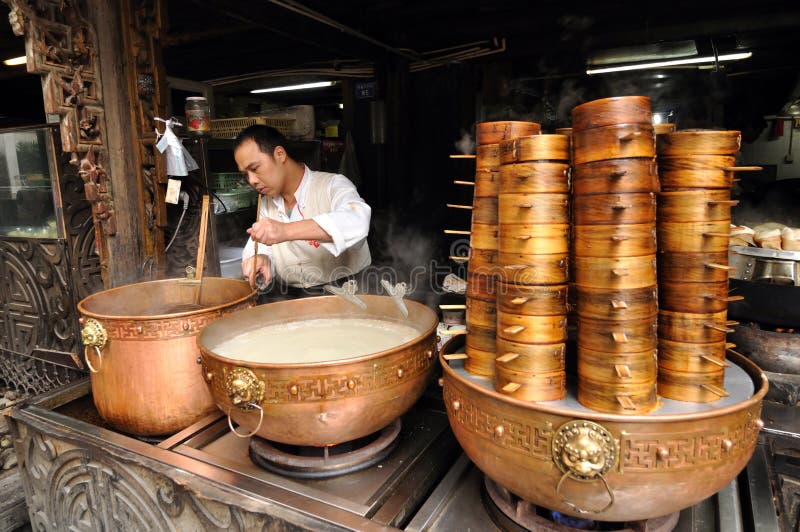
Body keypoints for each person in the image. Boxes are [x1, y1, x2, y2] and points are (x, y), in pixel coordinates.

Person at [235, 125, 371, 296]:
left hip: (349, 292)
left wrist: (285, 230)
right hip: (292, 298)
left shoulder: (333, 185)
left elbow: (357, 221)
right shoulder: (267, 203)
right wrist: (261, 258)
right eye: (245, 174)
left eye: (254, 169)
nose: (252, 180)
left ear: (280, 154)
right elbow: (261, 244)